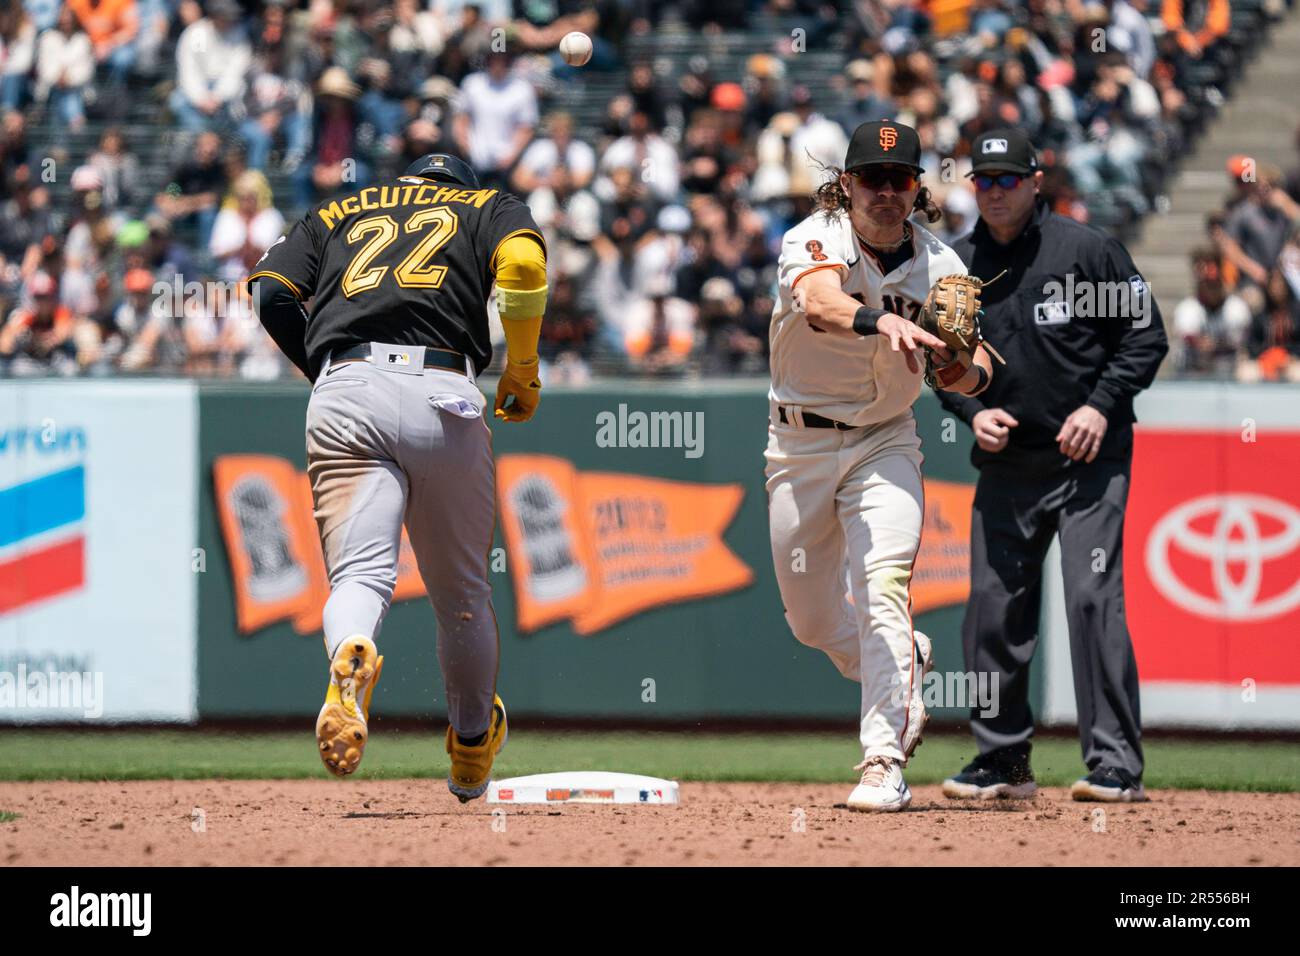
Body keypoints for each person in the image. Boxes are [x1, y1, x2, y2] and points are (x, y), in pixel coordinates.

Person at [248, 153, 547, 803]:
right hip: (445, 390)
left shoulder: (334, 210)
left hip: (346, 385)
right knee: (462, 595)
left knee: (359, 577)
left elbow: (269, 293)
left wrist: (329, 375)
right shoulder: (488, 206)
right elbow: (524, 269)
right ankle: (471, 749)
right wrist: (522, 367)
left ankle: (353, 650)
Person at [765, 121, 994, 812]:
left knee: (883, 586)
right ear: (847, 185)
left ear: (917, 186)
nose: (888, 192)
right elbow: (819, 299)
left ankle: (882, 761)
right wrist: (879, 320)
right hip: (797, 445)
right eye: (874, 178)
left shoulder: (943, 266)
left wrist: (960, 368)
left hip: (885, 443)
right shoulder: (815, 237)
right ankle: (904, 664)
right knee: (810, 622)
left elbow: (977, 369)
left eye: (901, 179)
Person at [936, 128, 1168, 803]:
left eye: (1009, 179)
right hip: (1009, 464)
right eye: (985, 180)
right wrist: (968, 410)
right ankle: (1002, 763)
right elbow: (941, 361)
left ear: (1037, 182)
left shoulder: (1085, 249)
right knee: (988, 607)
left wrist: (1099, 406)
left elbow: (1145, 337)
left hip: (1088, 459)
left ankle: (1116, 766)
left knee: (1092, 599)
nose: (996, 191)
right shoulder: (958, 264)